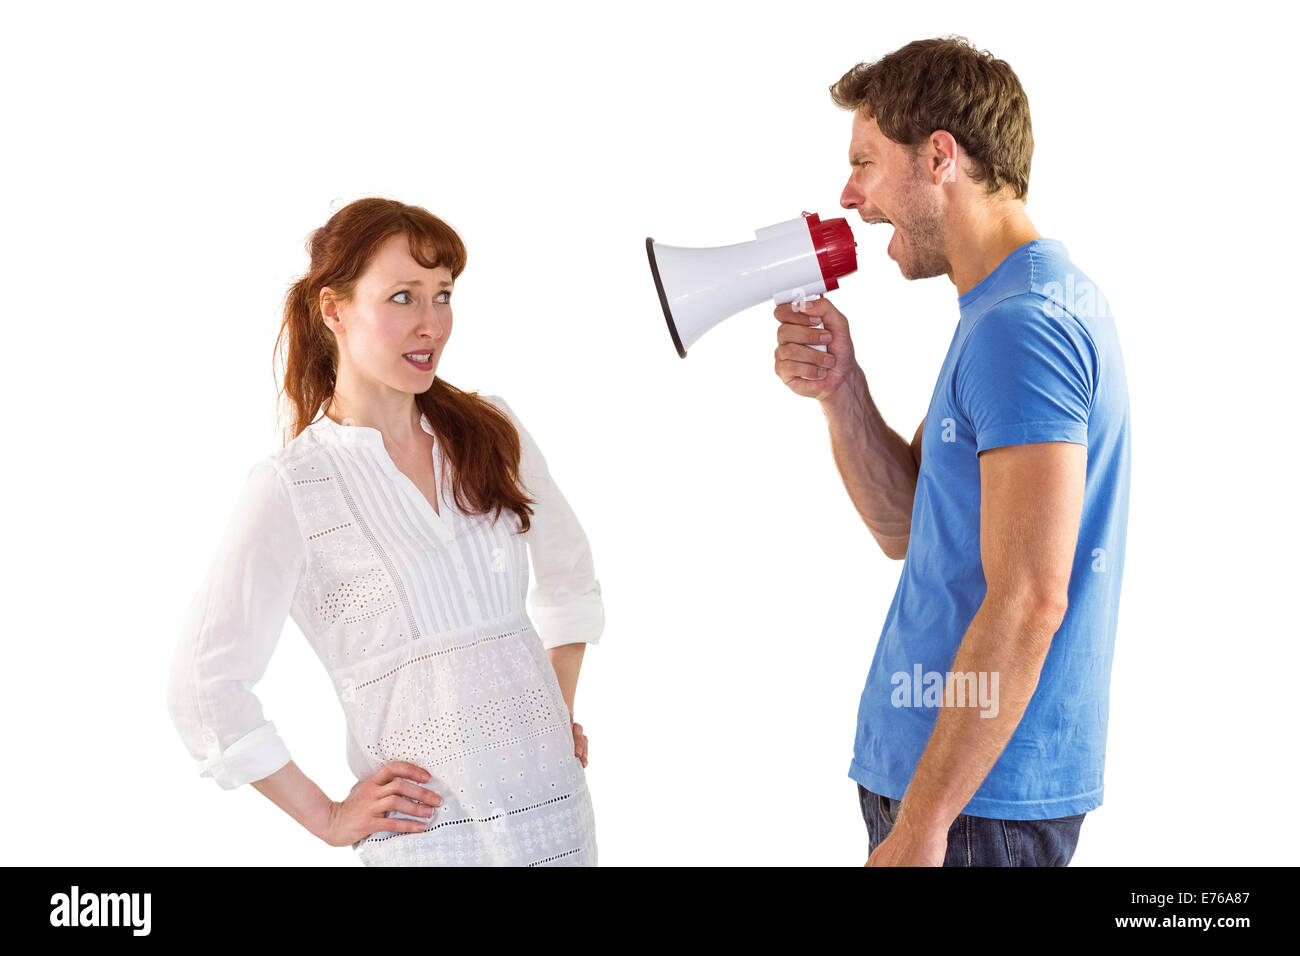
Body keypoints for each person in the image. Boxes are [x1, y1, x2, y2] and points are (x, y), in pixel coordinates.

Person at [773, 37, 1130, 866]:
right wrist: (842, 390)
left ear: (940, 157)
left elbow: (1030, 600)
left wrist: (926, 825)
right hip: (958, 797)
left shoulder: (1022, 329)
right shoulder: (1005, 310)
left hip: (972, 808)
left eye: (865, 163)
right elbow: (909, 531)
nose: (850, 197)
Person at [167, 197, 604, 866]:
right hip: (430, 840)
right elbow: (205, 685)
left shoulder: (490, 431)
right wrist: (327, 816)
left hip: (554, 822)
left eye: (443, 295)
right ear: (333, 309)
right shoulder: (294, 487)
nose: (432, 324)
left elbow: (570, 578)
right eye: (403, 297)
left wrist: (551, 708)